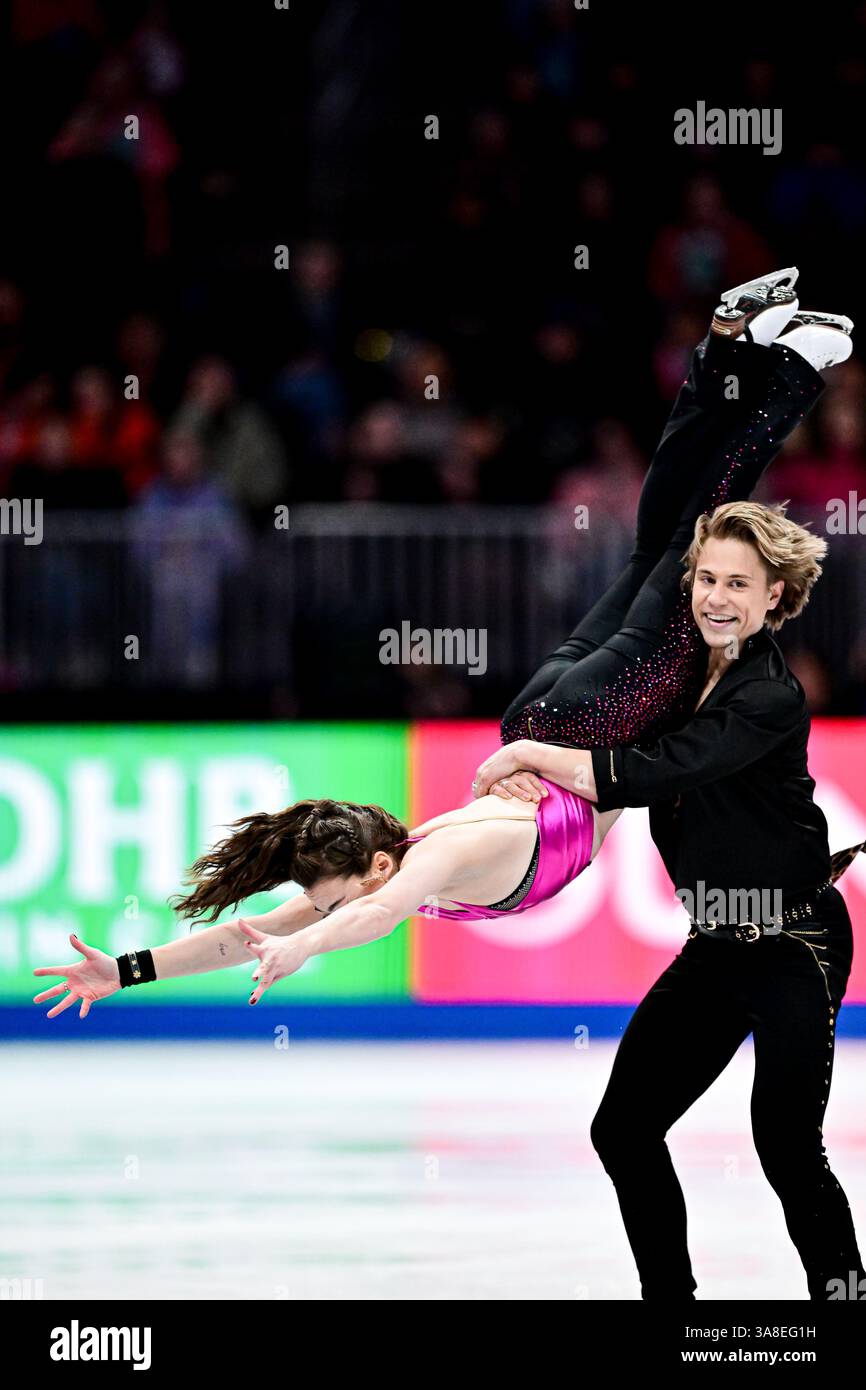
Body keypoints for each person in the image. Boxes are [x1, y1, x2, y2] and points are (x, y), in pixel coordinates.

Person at [31, 269, 854, 1011]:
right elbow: (244, 934)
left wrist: (301, 947)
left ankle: (792, 370)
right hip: (551, 715)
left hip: (590, 716)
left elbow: (381, 914)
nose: (331, 907)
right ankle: (723, 348)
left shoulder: (438, 857)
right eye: (326, 903)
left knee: (692, 546)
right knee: (659, 547)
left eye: (335, 899)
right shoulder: (394, 858)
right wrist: (128, 970)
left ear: (378, 866)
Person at [470, 284, 866, 1301]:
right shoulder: (681, 645)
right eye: (711, 584)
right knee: (622, 1129)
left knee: (785, 1146)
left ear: (774, 598)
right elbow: (677, 544)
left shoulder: (768, 694)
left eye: (737, 585)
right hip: (711, 946)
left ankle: (842, 1299)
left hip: (791, 942)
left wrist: (555, 771)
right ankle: (672, 1311)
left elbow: (663, 770)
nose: (716, 596)